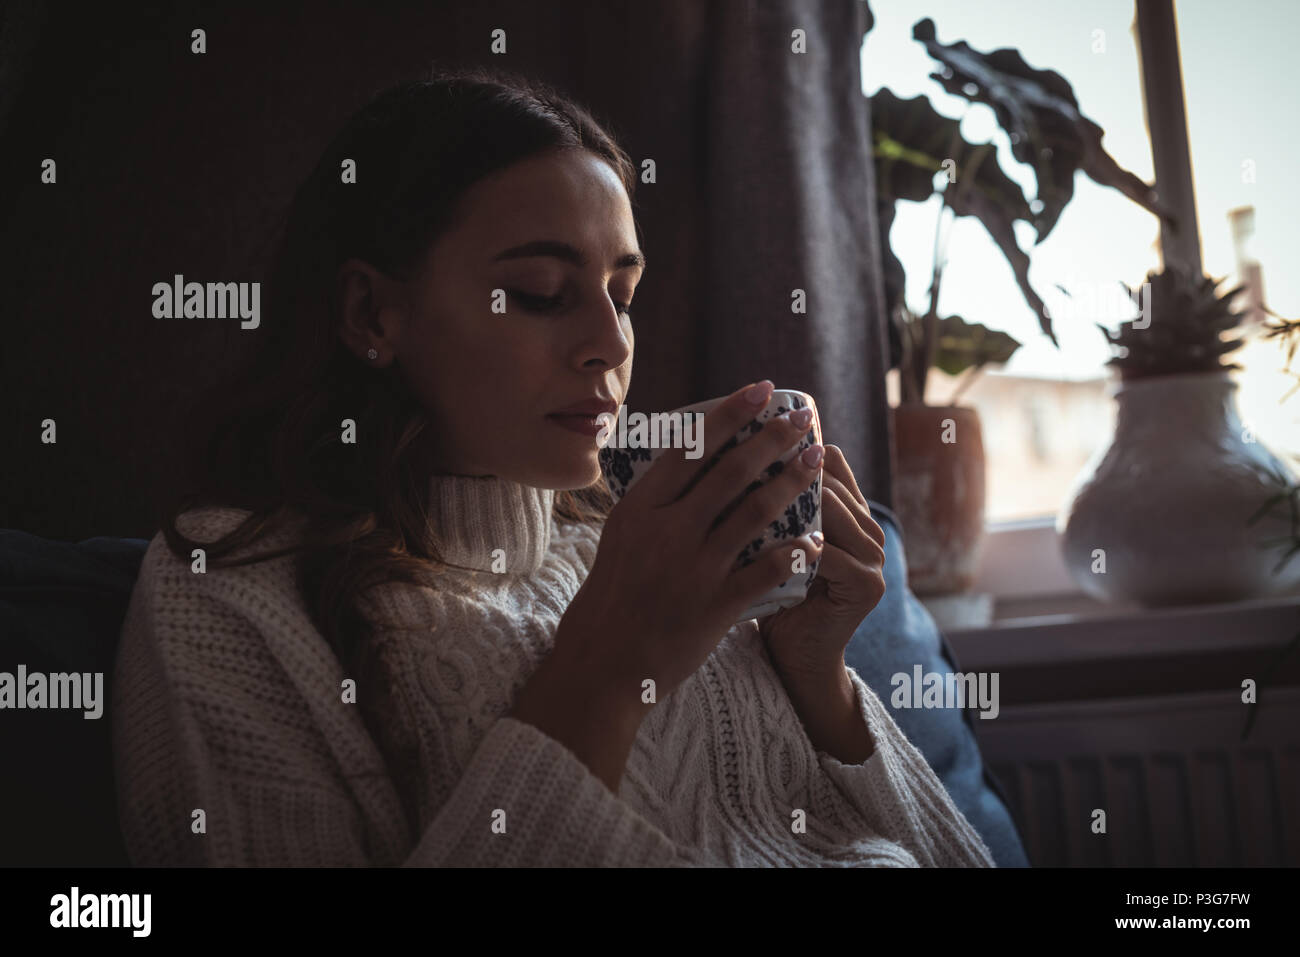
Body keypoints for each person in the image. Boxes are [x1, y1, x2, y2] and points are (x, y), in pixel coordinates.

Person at [111, 65, 995, 867]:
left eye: (624, 295)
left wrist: (819, 682)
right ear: (371, 314)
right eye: (540, 293)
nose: (610, 343)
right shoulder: (230, 591)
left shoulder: (662, 544)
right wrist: (608, 666)